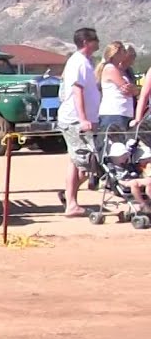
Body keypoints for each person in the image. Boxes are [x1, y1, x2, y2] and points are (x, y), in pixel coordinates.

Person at [58, 27, 102, 217]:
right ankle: (71, 201)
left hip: (82, 119)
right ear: (86, 42)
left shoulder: (85, 62)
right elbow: (77, 91)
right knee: (84, 162)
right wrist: (83, 118)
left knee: (76, 163)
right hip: (75, 120)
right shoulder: (79, 63)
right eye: (95, 39)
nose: (98, 42)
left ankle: (70, 199)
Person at [96, 42, 137, 132]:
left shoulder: (124, 71)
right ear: (116, 54)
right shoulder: (110, 68)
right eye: (123, 51)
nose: (125, 54)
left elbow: (134, 90)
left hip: (125, 112)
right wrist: (131, 89)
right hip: (114, 112)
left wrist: (133, 89)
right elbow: (125, 88)